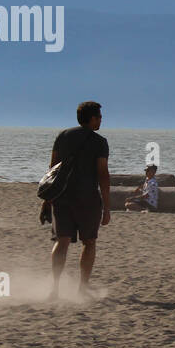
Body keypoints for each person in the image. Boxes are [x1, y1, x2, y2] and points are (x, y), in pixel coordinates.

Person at [46, 101, 111, 300]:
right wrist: (107, 207)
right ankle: (82, 287)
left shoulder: (62, 136)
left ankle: (55, 288)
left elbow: (52, 170)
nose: (101, 119)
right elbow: (102, 174)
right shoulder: (99, 142)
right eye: (99, 116)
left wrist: (47, 199)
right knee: (89, 242)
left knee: (62, 241)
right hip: (87, 198)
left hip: (61, 196)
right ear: (92, 118)